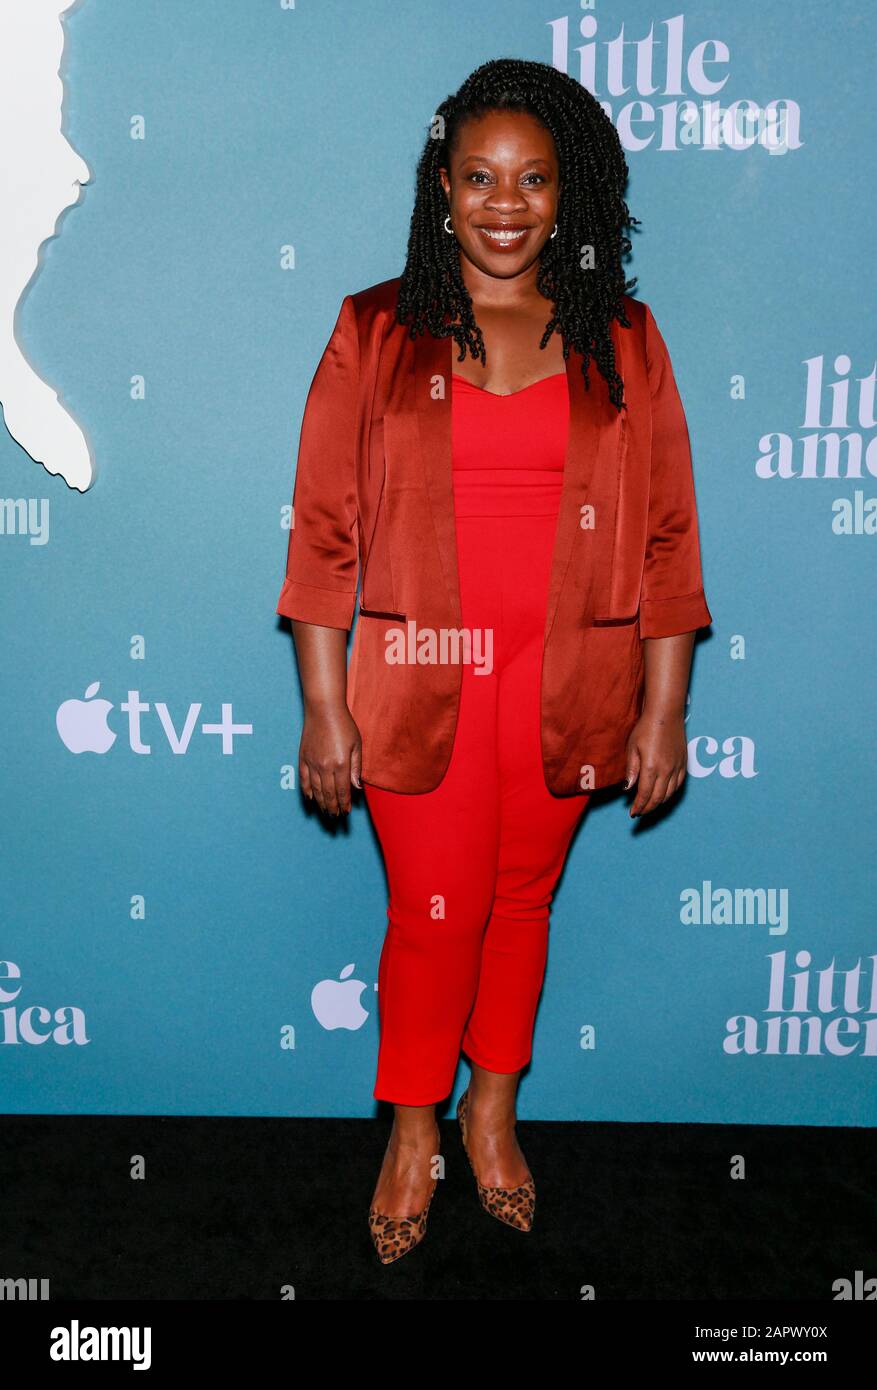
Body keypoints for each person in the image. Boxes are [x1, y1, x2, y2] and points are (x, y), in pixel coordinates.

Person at [276, 57, 713, 1265]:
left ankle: (493, 1110)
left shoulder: (622, 335)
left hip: (573, 682)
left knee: (523, 902)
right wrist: (323, 704)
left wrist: (664, 710)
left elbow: (671, 532)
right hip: (421, 678)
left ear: (568, 194)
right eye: (477, 176)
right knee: (433, 914)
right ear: (443, 186)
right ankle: (412, 1128)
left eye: (531, 178)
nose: (504, 202)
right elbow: (322, 530)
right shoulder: (377, 325)